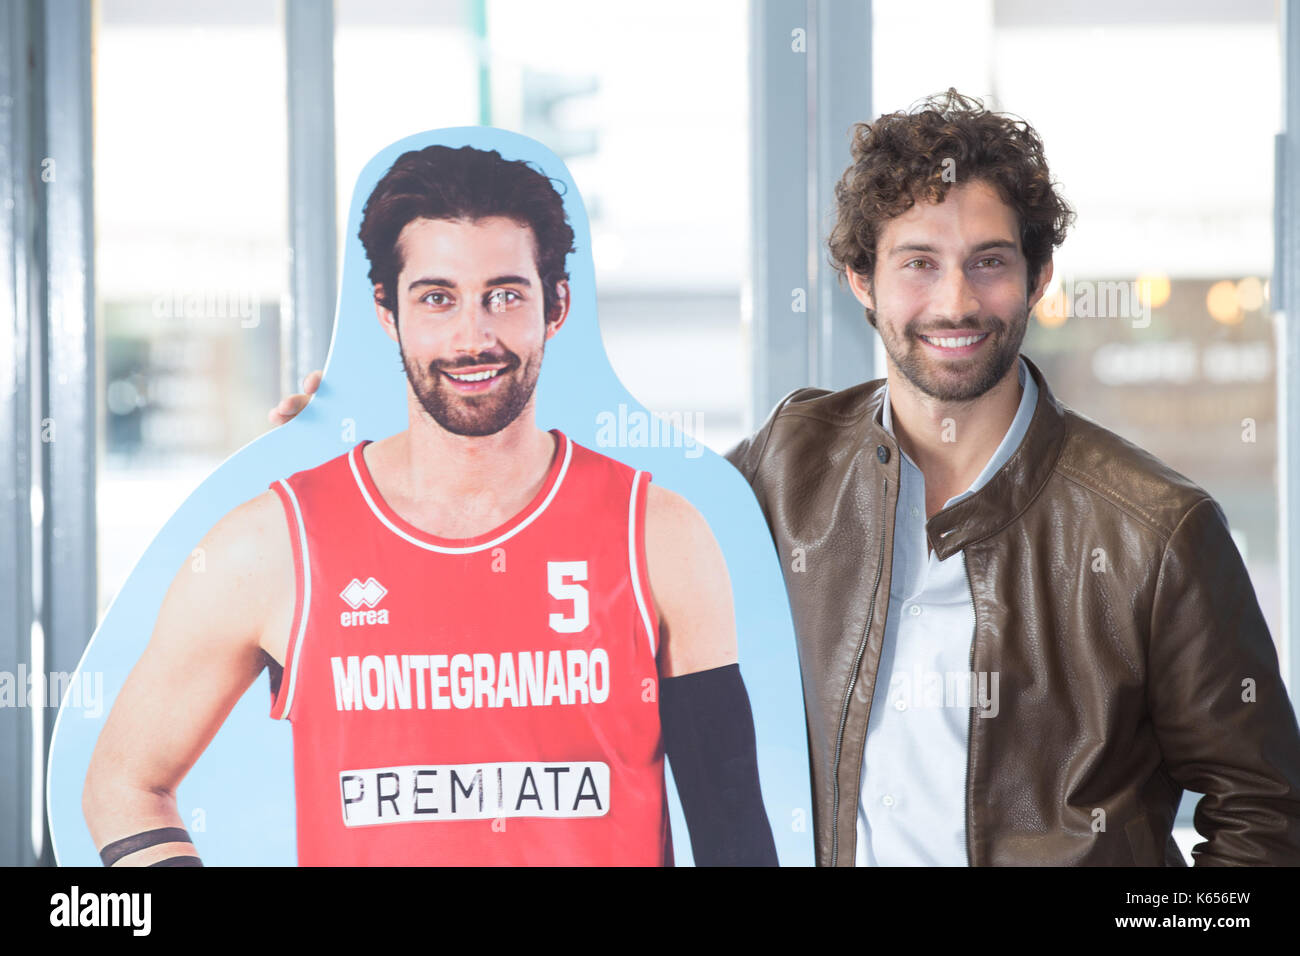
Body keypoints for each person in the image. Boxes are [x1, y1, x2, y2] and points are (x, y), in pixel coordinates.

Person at [83, 144, 777, 867]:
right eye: (437, 298)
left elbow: (734, 838)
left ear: (557, 306)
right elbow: (122, 784)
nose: (473, 337)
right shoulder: (276, 545)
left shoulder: (658, 535)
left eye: (505, 295)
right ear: (387, 310)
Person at [725, 89, 1300, 865]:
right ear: (862, 280)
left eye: (989, 263)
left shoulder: (1155, 530)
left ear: (1037, 279)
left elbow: (1266, 819)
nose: (956, 303)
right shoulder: (785, 465)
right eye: (918, 264)